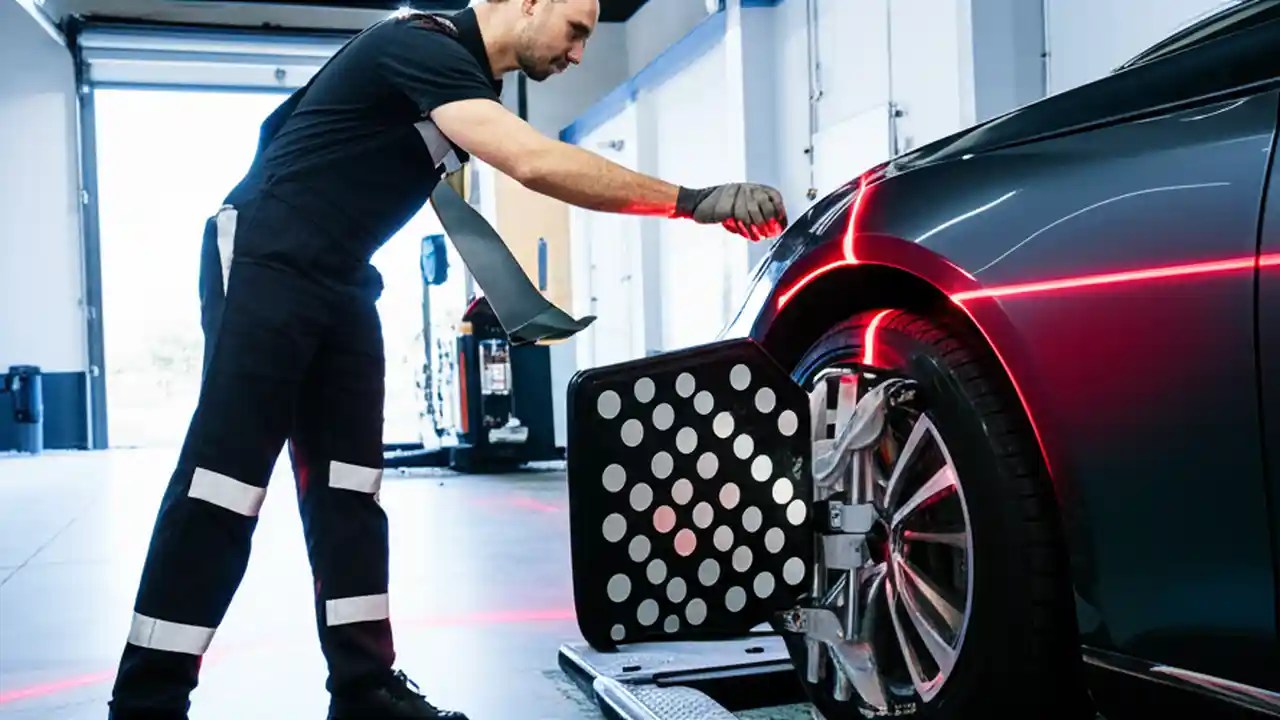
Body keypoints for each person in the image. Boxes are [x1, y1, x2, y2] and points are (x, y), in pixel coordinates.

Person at [106, 0, 788, 718]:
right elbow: (534, 161)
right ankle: (148, 702)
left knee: (350, 492)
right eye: (576, 31)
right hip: (268, 257)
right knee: (224, 484)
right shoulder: (421, 45)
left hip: (342, 277)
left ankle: (364, 691)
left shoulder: (460, 80)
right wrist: (692, 200)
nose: (579, 54)